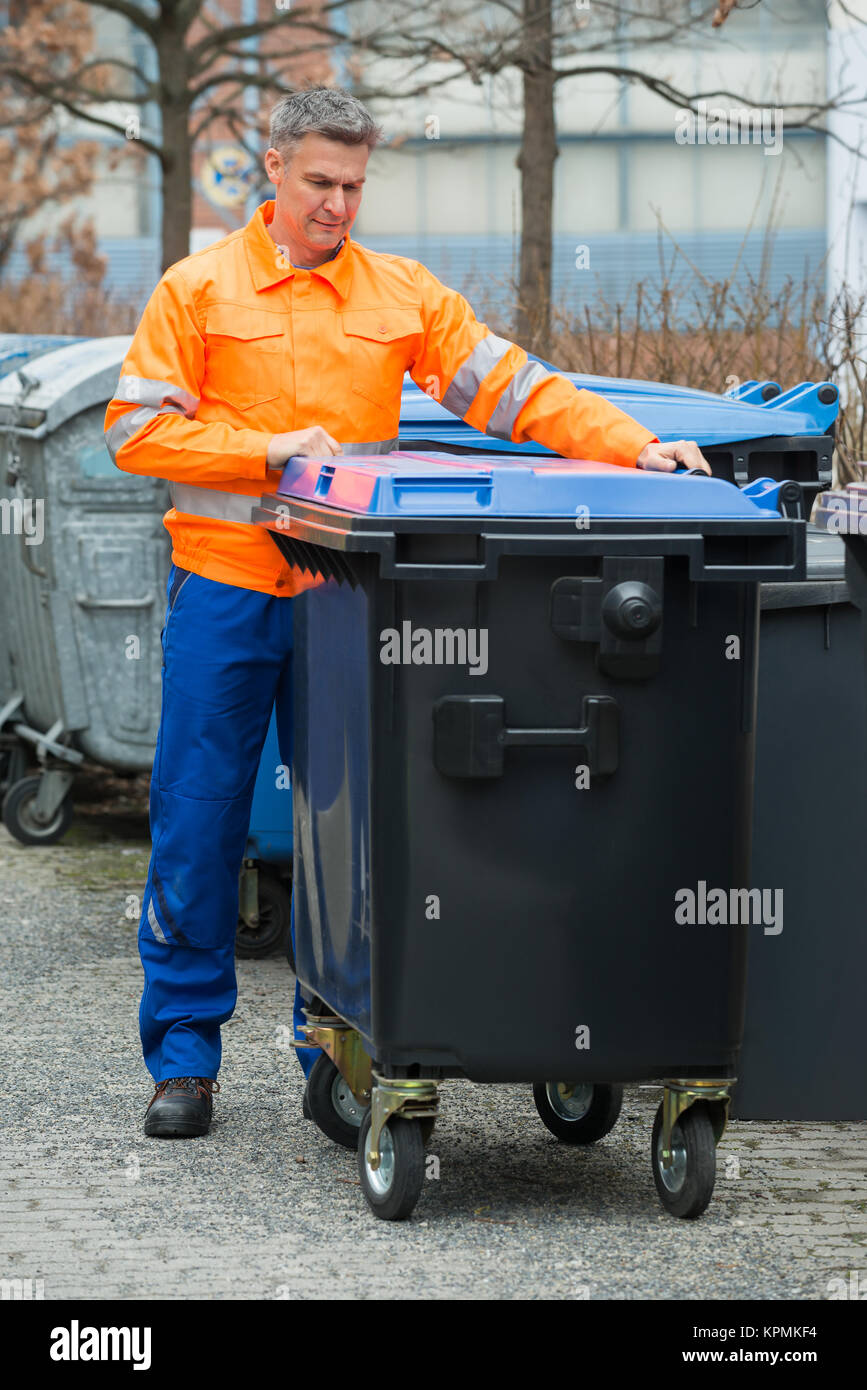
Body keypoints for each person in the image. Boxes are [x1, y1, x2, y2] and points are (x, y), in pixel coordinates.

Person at [104, 86, 711, 1138]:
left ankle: (335, 1039)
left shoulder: (399, 294)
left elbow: (515, 388)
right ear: (275, 170)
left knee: (353, 831)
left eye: (353, 185)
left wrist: (633, 446)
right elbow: (133, 434)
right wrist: (267, 452)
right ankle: (186, 1062)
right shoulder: (196, 291)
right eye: (321, 183)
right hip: (228, 591)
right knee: (197, 823)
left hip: (344, 604)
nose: (338, 204)